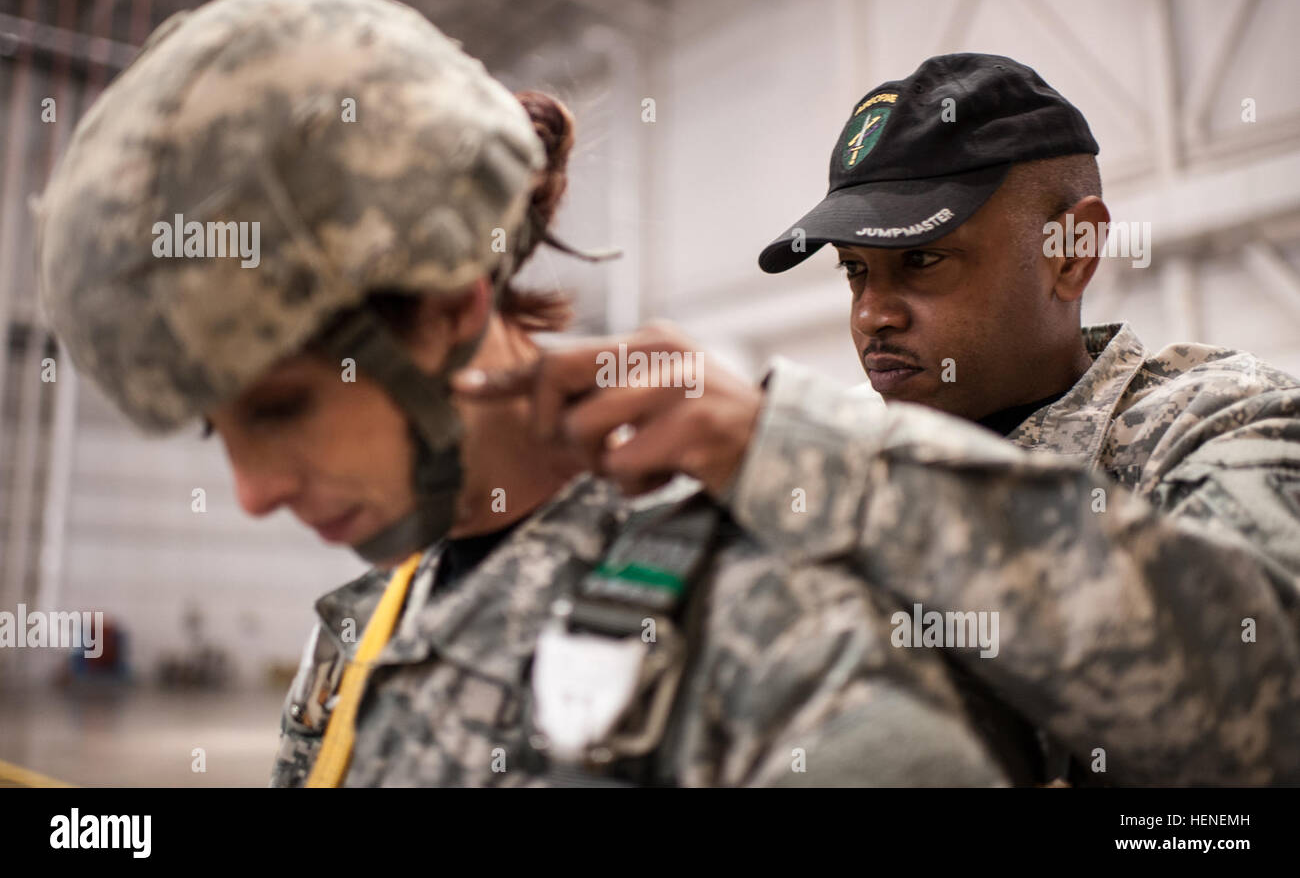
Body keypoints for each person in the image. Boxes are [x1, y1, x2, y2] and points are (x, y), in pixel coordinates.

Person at [37, 0, 1026, 787]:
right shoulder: (365, 625)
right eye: (218, 431)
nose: (252, 493)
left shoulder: (749, 613)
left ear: (452, 301)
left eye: (282, 405)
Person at [461, 54, 1300, 785]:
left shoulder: (1220, 422)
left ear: (1070, 251)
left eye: (922, 261)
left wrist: (792, 451)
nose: (873, 314)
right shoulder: (809, 466)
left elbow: (1266, 703)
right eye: (856, 272)